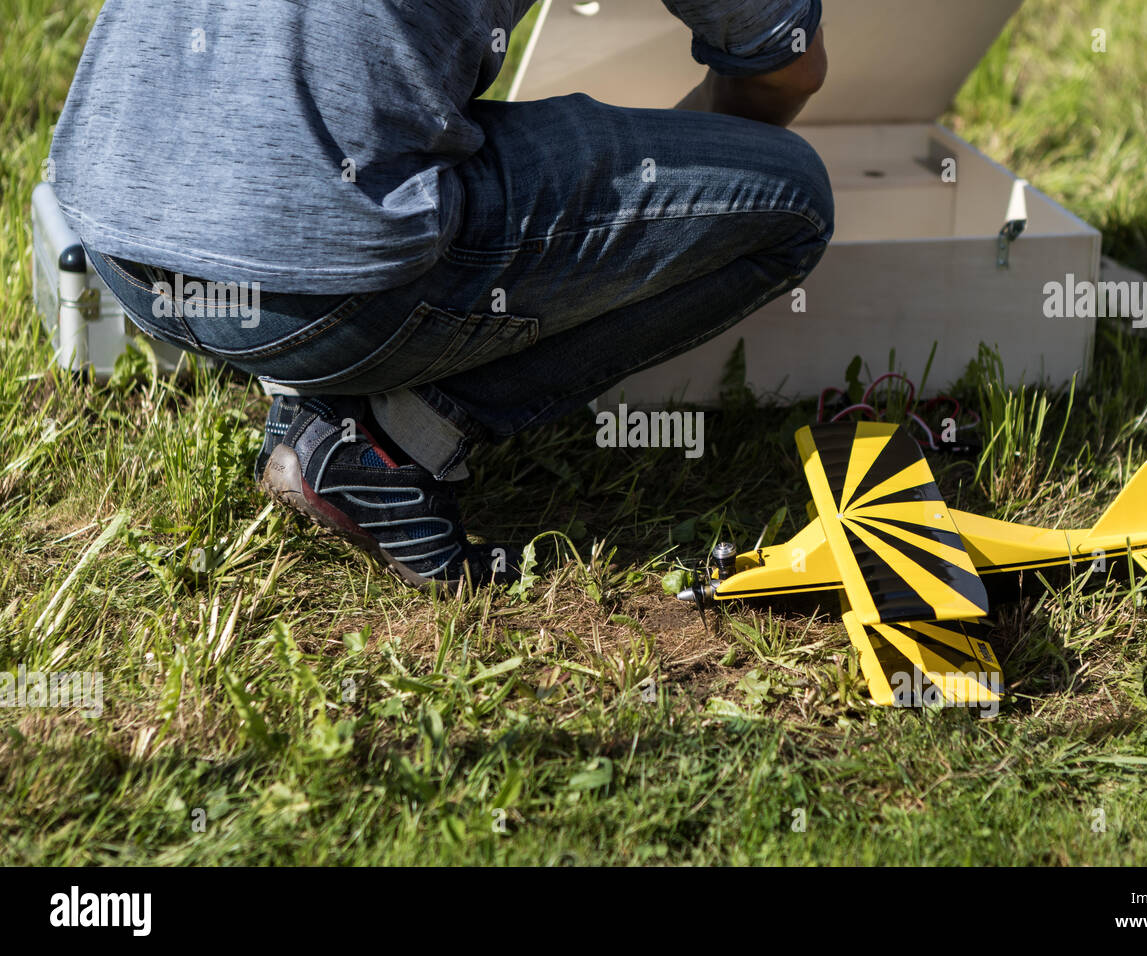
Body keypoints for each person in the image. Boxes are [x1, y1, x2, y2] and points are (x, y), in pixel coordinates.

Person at [48, 0, 835, 590]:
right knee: (793, 199)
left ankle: (332, 389)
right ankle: (389, 440)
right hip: (323, 295)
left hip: (123, 239)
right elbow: (783, 67)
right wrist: (671, 198)